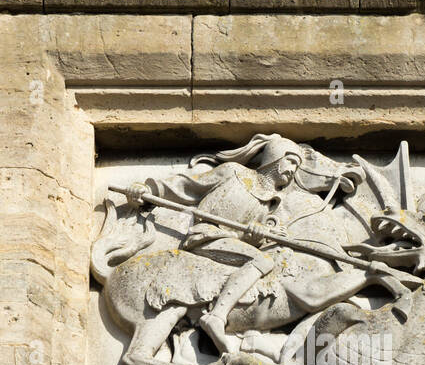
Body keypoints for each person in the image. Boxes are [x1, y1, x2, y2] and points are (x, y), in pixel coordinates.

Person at [120, 134, 356, 353]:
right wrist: (148, 189)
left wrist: (259, 233)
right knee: (262, 260)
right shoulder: (233, 173)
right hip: (206, 236)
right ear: (274, 157)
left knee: (264, 258)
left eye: (296, 165)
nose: (292, 169)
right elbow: (188, 185)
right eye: (290, 161)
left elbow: (254, 240)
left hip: (232, 243)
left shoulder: (274, 203)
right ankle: (217, 316)